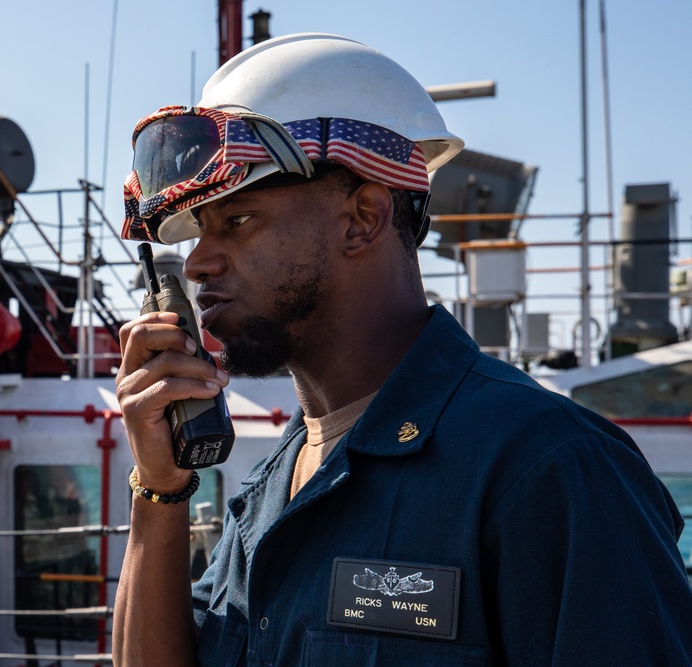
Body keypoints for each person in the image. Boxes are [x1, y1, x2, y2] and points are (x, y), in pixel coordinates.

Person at [112, 33, 692, 666]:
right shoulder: (270, 488)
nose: (197, 263)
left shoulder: (551, 467)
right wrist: (162, 490)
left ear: (364, 217)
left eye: (240, 219)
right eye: (197, 231)